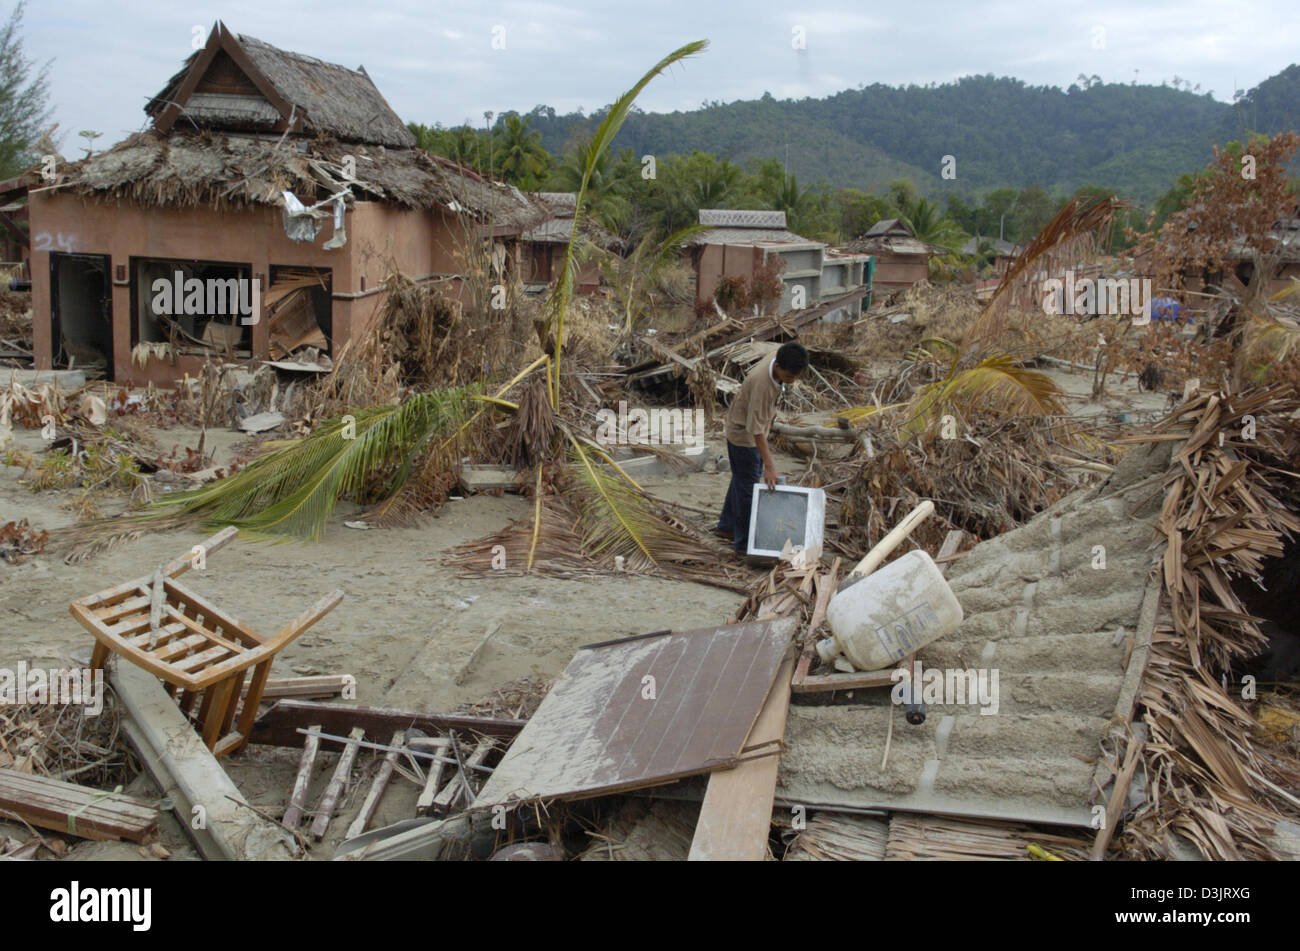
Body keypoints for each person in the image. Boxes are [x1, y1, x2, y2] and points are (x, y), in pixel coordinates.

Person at [716, 341, 808, 555]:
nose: (792, 382)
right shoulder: (762, 386)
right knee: (748, 487)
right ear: (778, 367)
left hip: (749, 428)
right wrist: (769, 465)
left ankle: (726, 527)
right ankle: (744, 544)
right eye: (789, 377)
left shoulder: (779, 356)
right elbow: (755, 431)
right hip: (743, 436)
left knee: (741, 479)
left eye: (795, 377)